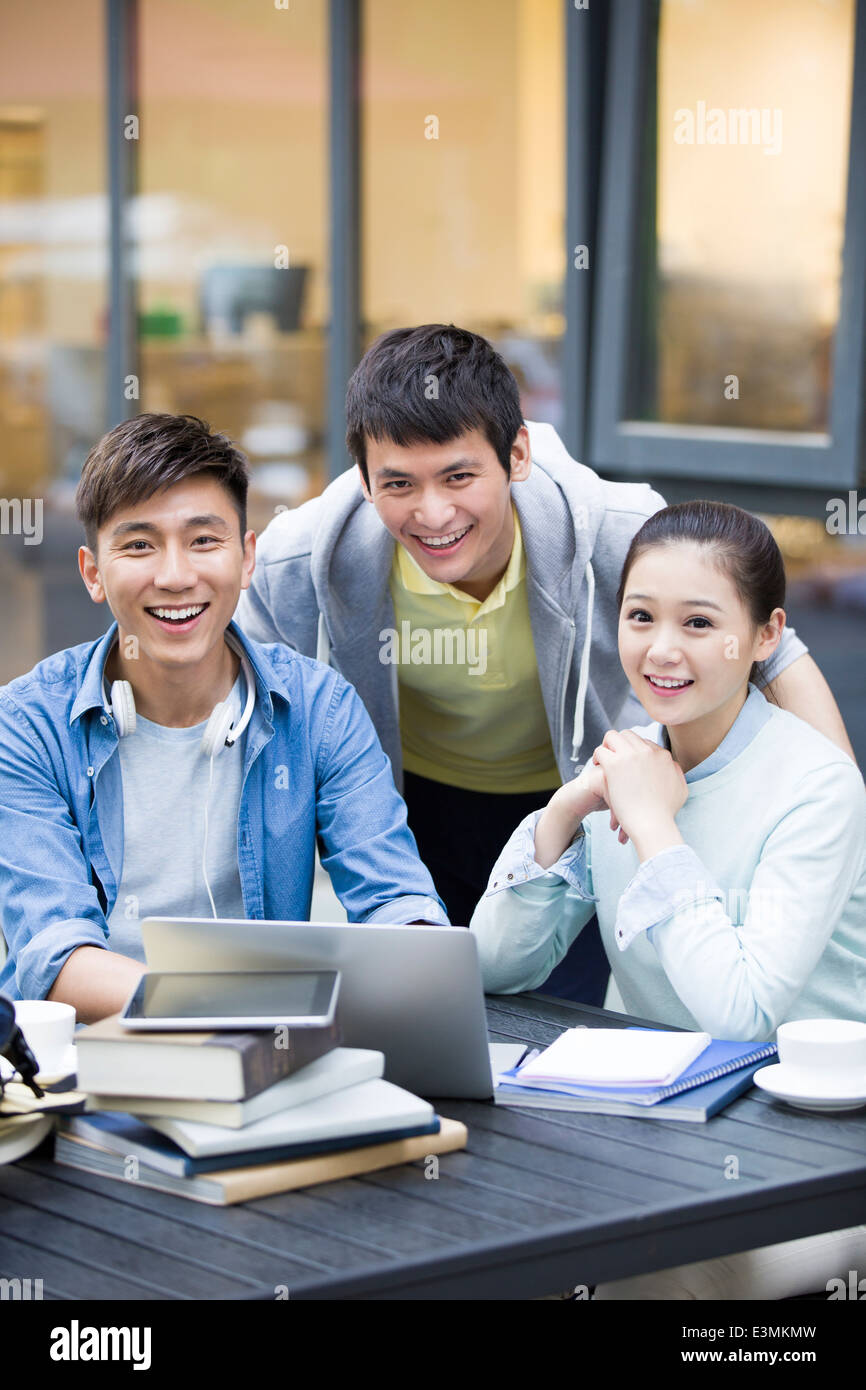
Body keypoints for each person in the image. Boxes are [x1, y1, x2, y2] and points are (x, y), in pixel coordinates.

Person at [235, 323, 854, 1006]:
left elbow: (773, 653)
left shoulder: (620, 529)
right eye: (399, 484)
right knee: (449, 1004)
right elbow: (237, 687)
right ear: (363, 479)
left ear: (518, 454)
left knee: (584, 1003)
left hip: (590, 792)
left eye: (460, 475)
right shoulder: (300, 561)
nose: (433, 511)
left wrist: (834, 828)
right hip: (416, 808)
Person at [469, 499, 866, 1299]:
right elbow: (492, 966)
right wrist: (560, 815)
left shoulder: (819, 787)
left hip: (808, 1149)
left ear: (762, 636)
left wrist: (652, 826)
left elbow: (741, 1015)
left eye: (697, 623)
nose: (661, 649)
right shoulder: (630, 758)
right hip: (646, 1127)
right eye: (640, 616)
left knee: (650, 1267)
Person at [0, 414, 447, 1023]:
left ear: (246, 558)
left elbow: (394, 896)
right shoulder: (27, 725)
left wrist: (421, 959)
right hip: (89, 1064)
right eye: (138, 545)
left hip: (268, 1053)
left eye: (204, 540)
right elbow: (54, 956)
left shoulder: (320, 708)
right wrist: (244, 1004)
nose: (176, 575)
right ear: (92, 573)